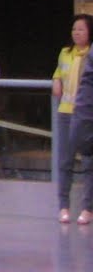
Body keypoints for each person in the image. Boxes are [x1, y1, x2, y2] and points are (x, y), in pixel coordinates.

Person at [54, 15, 93, 224]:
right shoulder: (65, 53)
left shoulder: (91, 54)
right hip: (67, 111)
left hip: (87, 114)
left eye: (81, 29)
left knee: (89, 161)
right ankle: (63, 206)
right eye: (74, 29)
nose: (76, 33)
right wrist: (56, 79)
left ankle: (88, 208)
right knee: (65, 161)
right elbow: (59, 72)